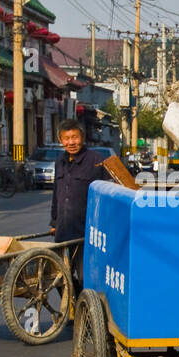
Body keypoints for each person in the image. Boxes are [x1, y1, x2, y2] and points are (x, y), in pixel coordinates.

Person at [49, 119, 108, 292]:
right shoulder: (60, 161)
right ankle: (72, 312)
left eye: (74, 137)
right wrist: (53, 222)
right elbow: (56, 193)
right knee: (61, 276)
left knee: (85, 277)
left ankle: (87, 313)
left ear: (82, 137)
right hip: (63, 231)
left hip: (86, 233)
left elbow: (107, 194)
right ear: (61, 140)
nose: (71, 142)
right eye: (66, 138)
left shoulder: (96, 160)